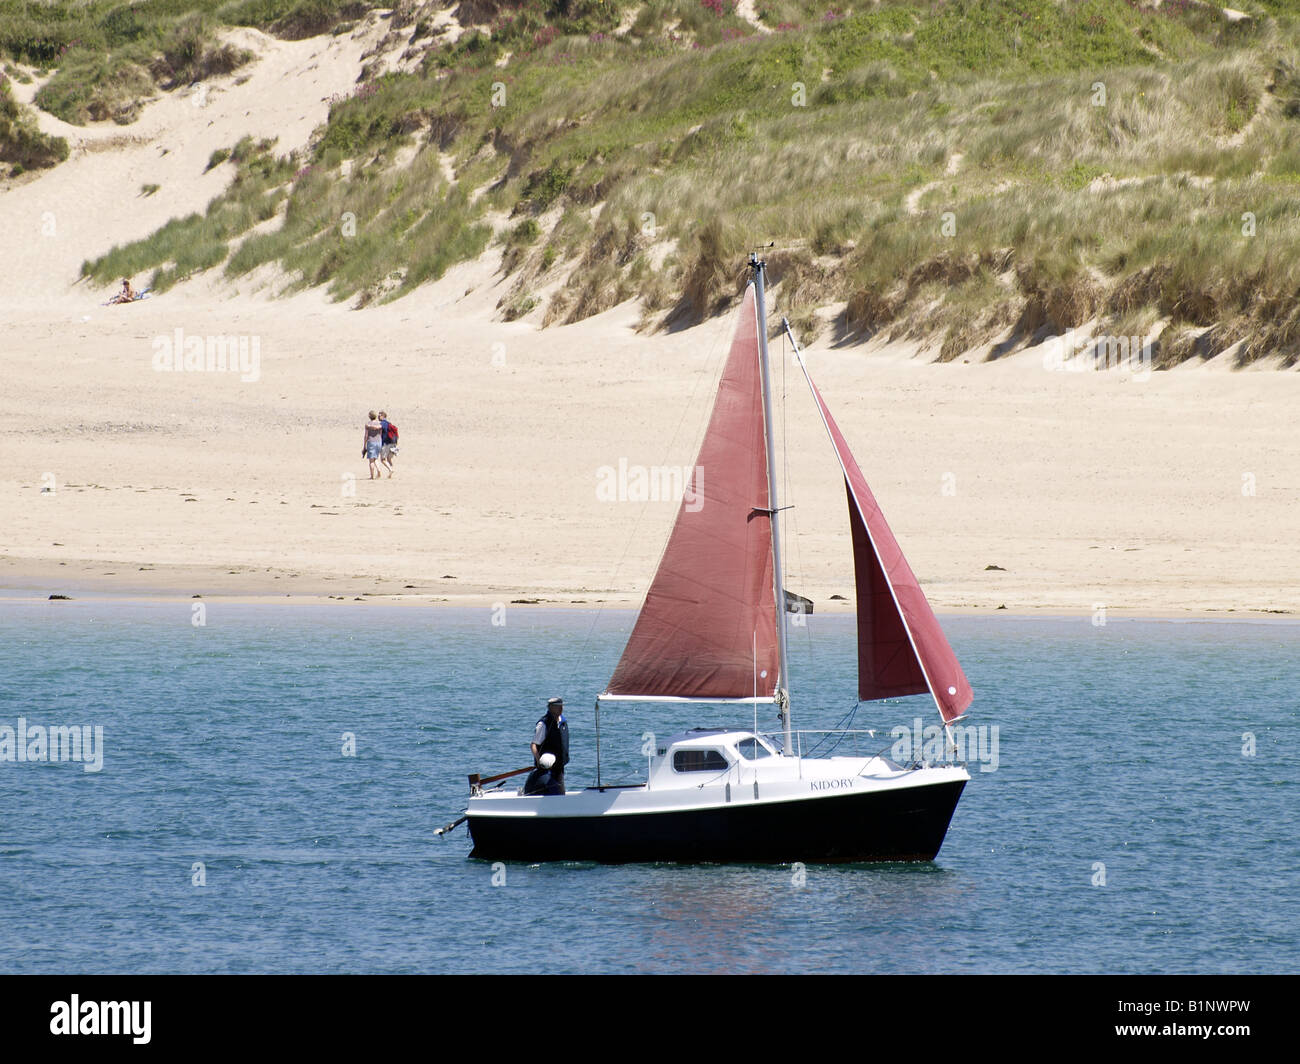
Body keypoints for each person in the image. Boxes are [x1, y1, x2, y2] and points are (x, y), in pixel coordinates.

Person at [524, 697, 569, 796]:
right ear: (550, 708)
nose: (561, 708)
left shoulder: (563, 721)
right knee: (552, 792)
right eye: (558, 707)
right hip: (547, 767)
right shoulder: (543, 724)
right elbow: (533, 745)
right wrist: (539, 761)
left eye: (562, 706)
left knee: (560, 792)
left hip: (559, 766)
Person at [361, 410, 383, 479]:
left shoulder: (368, 424)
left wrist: (364, 446)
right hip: (379, 442)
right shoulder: (379, 424)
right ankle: (379, 470)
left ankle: (372, 476)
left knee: (371, 460)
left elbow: (366, 436)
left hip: (371, 442)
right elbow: (380, 434)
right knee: (375, 458)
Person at [378, 410, 397, 478]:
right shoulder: (389, 423)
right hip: (392, 443)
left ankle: (390, 470)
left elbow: (379, 429)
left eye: (379, 415)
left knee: (383, 459)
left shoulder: (382, 423)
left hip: (385, 443)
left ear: (383, 416)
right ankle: (390, 474)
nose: (378, 416)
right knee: (389, 459)